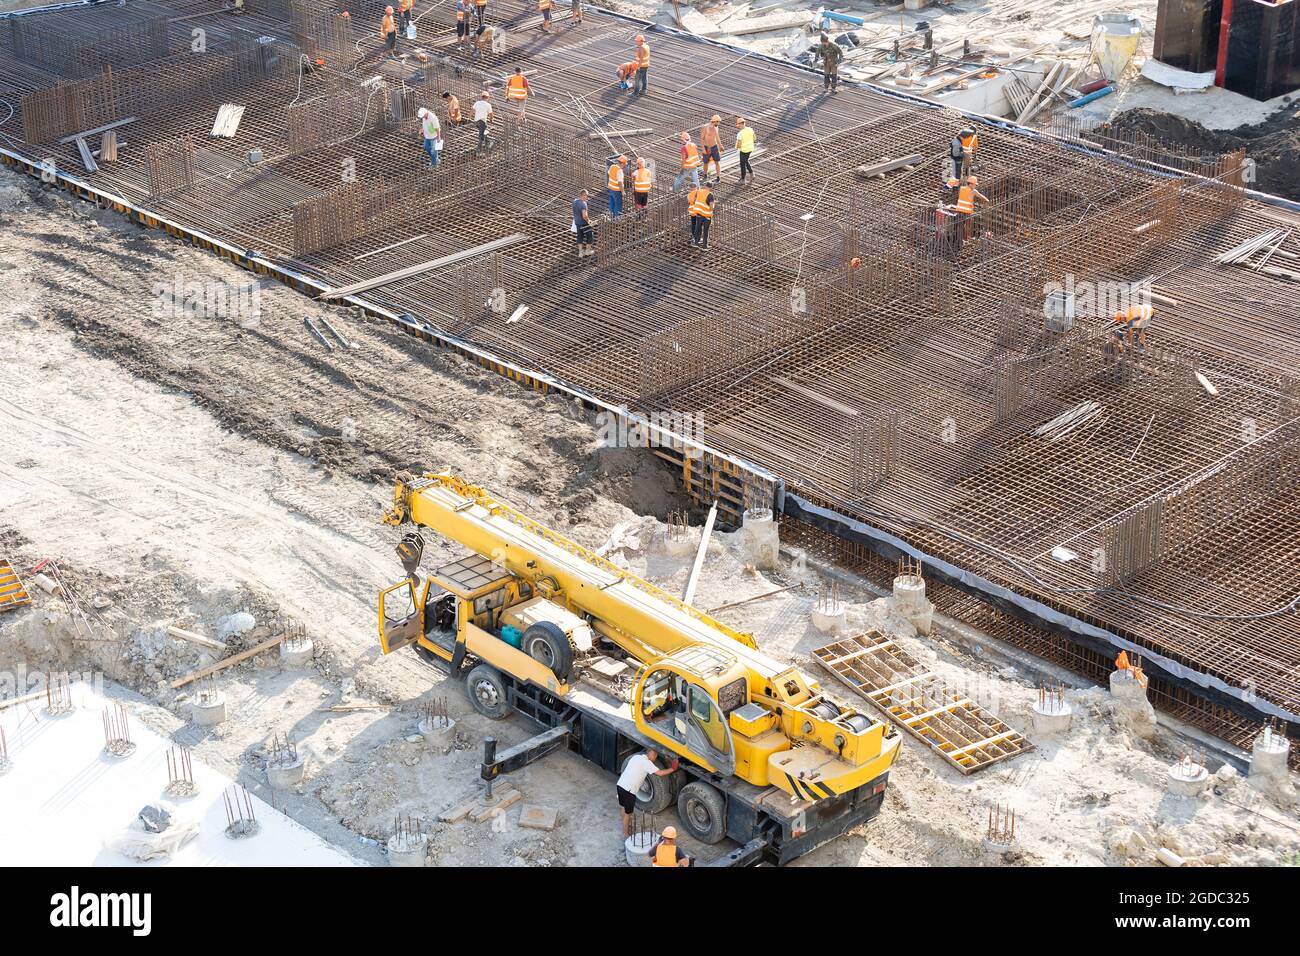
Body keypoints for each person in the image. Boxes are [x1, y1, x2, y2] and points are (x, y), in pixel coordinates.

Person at [615, 748, 678, 836]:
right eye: (655, 755)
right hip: (628, 790)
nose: (655, 758)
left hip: (620, 785)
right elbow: (660, 773)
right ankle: (626, 833)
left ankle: (626, 824)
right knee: (628, 814)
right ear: (649, 753)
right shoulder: (647, 763)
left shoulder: (636, 757)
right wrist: (672, 769)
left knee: (623, 806)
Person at [688, 183, 714, 248]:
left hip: (698, 213)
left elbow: (693, 200)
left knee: (697, 228)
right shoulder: (710, 195)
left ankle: (695, 243)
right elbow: (711, 207)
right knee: (706, 230)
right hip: (706, 215)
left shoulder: (699, 191)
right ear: (710, 188)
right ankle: (705, 246)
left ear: (705, 186)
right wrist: (713, 206)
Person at [700, 114, 722, 185]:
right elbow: (702, 138)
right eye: (718, 122)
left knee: (717, 162)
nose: (718, 123)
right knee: (705, 162)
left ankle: (718, 177)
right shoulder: (705, 127)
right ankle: (705, 175)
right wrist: (703, 149)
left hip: (714, 147)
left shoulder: (716, 127)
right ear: (714, 121)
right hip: (707, 147)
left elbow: (717, 137)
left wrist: (720, 145)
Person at [573, 189, 595, 259]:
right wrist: (589, 221)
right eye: (586, 196)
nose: (587, 197)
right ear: (582, 195)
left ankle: (580, 252)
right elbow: (584, 215)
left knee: (580, 236)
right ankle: (587, 251)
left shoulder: (575, 201)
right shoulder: (583, 204)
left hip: (577, 223)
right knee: (589, 235)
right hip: (584, 223)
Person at [735, 116, 755, 184]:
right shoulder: (750, 129)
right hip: (750, 149)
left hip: (743, 151)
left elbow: (739, 144)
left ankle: (743, 180)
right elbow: (754, 138)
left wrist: (737, 148)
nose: (737, 126)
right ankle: (752, 174)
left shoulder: (740, 134)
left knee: (742, 164)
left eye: (738, 124)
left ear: (740, 124)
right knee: (746, 161)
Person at [607, 154, 627, 218]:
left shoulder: (612, 166)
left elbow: (609, 173)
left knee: (612, 202)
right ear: (623, 163)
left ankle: (611, 215)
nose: (625, 166)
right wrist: (623, 191)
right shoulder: (619, 171)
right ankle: (617, 218)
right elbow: (620, 182)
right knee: (618, 204)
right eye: (625, 164)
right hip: (616, 190)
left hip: (610, 188)